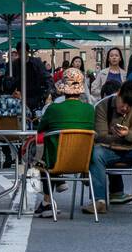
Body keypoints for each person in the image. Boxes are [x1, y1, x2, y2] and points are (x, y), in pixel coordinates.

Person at [86, 79, 132, 216]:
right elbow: (100, 136)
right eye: (123, 103)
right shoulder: (103, 106)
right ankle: (99, 201)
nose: (125, 108)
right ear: (118, 94)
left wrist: (127, 134)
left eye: (130, 106)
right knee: (95, 153)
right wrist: (119, 136)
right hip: (109, 148)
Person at [31, 68, 96, 218]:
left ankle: (47, 201)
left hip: (55, 161)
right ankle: (51, 194)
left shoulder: (54, 109)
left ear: (63, 89)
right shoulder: (89, 109)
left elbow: (41, 129)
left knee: (41, 155)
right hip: (83, 162)